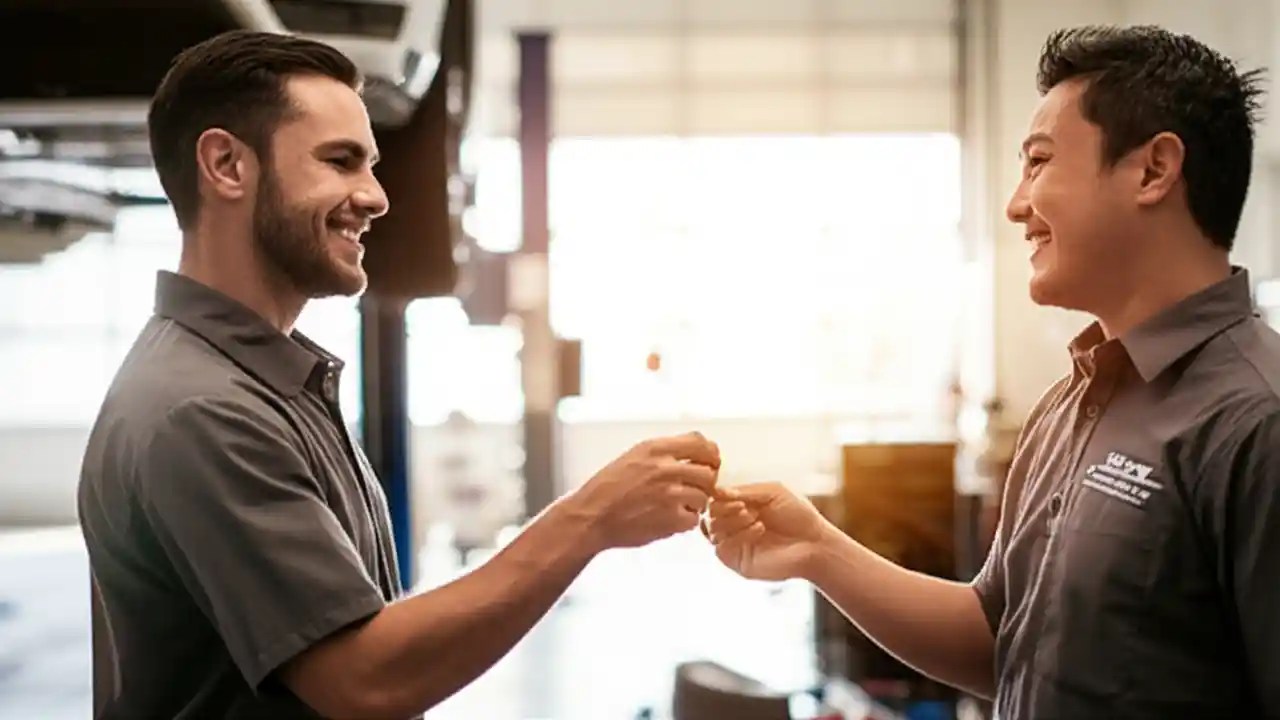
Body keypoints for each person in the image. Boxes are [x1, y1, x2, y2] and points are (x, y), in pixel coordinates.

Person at [77, 30, 720, 720]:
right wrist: (591, 518)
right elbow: (365, 679)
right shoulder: (201, 409)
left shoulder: (262, 382)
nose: (377, 197)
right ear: (228, 166)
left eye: (372, 165)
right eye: (341, 161)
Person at [705, 24, 1280, 719]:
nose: (1015, 205)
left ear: (1153, 171)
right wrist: (820, 552)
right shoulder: (1074, 404)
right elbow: (998, 642)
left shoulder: (1255, 421)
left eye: (1038, 163)